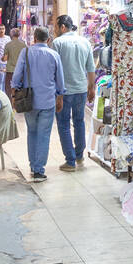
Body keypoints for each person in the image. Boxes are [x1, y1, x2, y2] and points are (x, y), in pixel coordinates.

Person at [11, 27, 64, 180]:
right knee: (44, 135)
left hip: (29, 100)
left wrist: (15, 93)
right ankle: (39, 170)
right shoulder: (54, 55)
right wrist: (60, 96)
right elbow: (59, 79)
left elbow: (16, 76)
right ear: (48, 40)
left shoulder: (26, 52)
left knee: (32, 132)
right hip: (48, 101)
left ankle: (33, 165)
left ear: (34, 38)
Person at [52, 15, 96, 171]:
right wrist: (92, 88)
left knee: (63, 125)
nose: (55, 30)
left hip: (64, 91)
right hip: (81, 89)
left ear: (63, 27)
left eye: (56, 27)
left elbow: (55, 70)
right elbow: (91, 68)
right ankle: (79, 155)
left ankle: (70, 161)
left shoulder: (57, 43)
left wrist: (57, 94)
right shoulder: (85, 42)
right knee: (79, 122)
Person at [2, 26, 27, 101]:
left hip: (10, 70)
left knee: (8, 87)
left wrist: (2, 58)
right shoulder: (23, 45)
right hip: (20, 70)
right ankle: (19, 102)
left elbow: (5, 58)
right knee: (20, 87)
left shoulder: (8, 45)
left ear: (11, 34)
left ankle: (10, 102)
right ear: (19, 34)